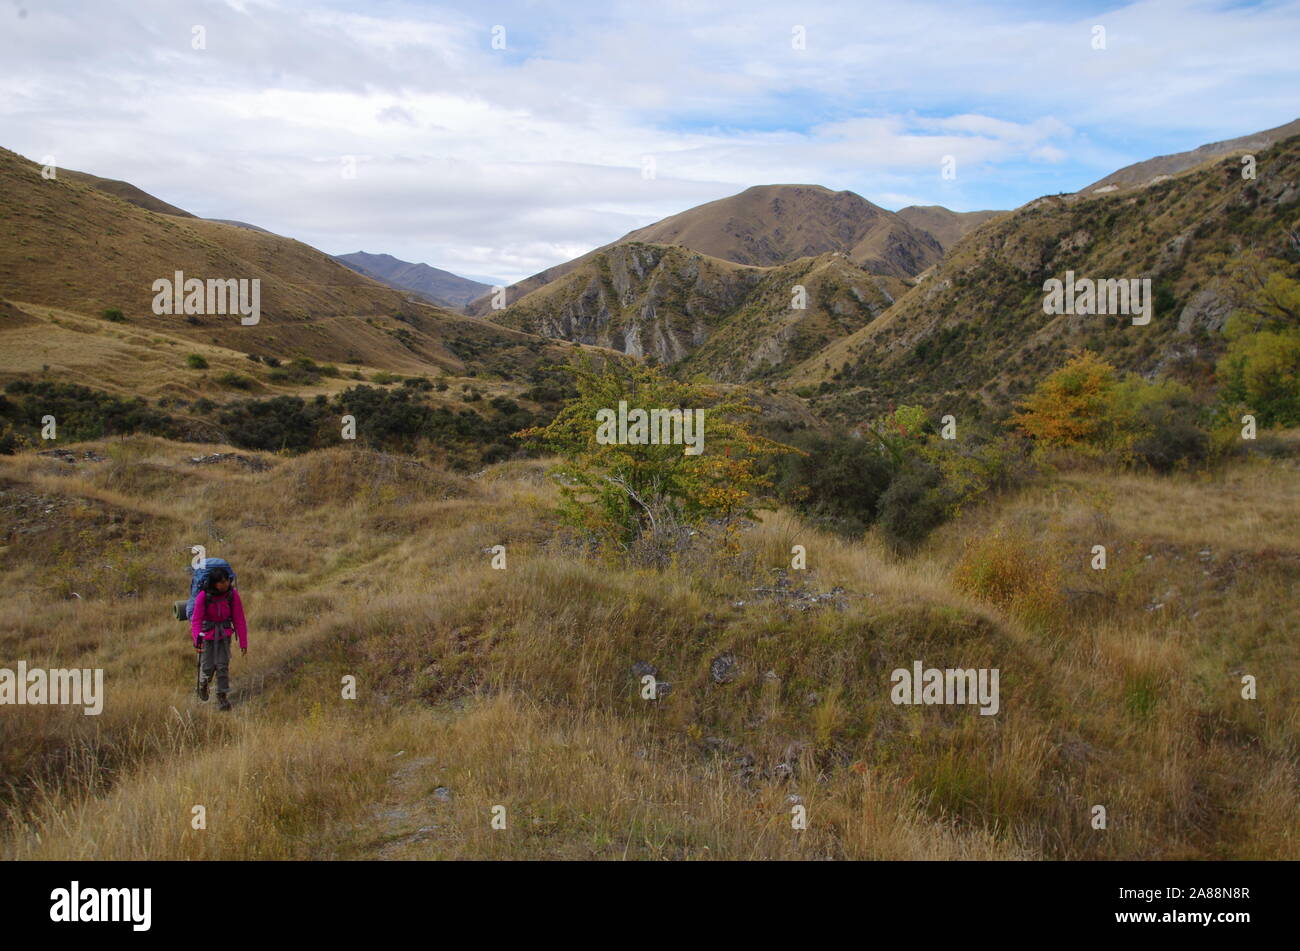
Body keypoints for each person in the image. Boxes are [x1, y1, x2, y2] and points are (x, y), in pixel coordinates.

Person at [190, 566, 247, 711]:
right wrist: (197, 640)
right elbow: (196, 620)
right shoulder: (204, 596)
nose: (225, 584)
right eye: (221, 582)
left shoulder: (231, 594)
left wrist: (243, 641)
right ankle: (203, 684)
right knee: (208, 667)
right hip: (207, 635)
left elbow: (239, 618)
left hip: (224, 634)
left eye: (226, 581)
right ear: (214, 583)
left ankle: (222, 697)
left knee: (222, 666)